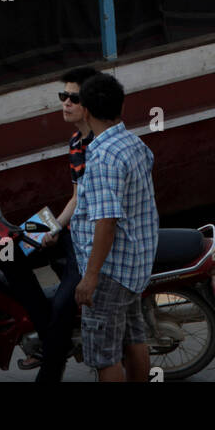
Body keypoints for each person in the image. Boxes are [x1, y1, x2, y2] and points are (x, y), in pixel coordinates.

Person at [71, 72, 158, 383]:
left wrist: (90, 277)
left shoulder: (102, 157)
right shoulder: (134, 144)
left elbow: (106, 223)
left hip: (111, 271)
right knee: (134, 338)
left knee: (105, 357)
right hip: (134, 266)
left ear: (87, 111)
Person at [18, 65, 98, 382]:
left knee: (65, 302)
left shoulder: (98, 145)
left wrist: (57, 227)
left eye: (72, 98)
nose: (65, 103)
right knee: (8, 249)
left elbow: (86, 203)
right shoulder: (76, 140)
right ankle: (45, 329)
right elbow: (76, 194)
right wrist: (50, 225)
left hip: (86, 236)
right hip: (69, 221)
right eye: (63, 96)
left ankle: (52, 356)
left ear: (90, 103)